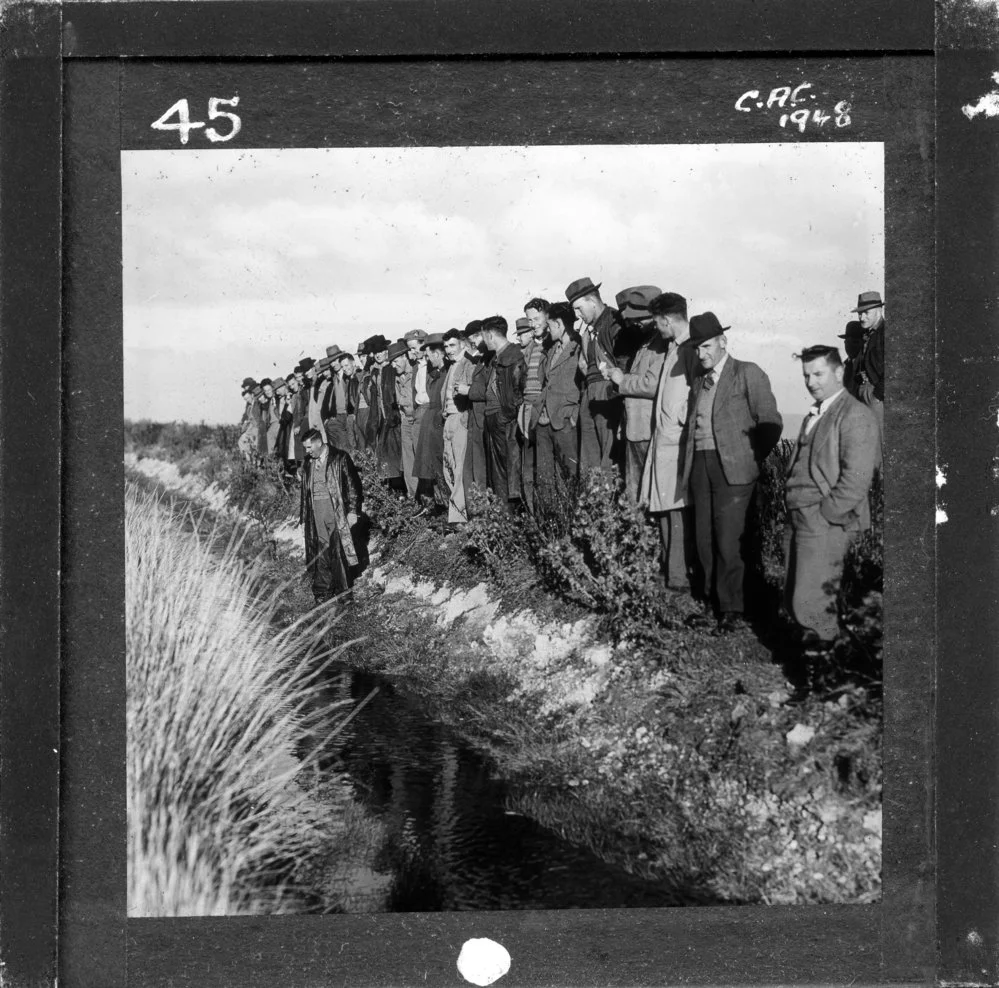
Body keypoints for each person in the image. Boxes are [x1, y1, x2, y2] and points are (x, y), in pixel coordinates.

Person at [682, 312, 783, 633]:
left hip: (735, 470)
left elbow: (771, 422)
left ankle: (732, 608)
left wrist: (749, 460)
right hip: (700, 466)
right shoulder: (699, 379)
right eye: (697, 349)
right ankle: (712, 604)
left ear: (723, 342)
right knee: (704, 538)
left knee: (729, 540)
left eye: (708, 346)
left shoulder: (747, 373)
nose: (702, 354)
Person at [784, 345, 880, 656]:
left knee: (814, 602)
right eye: (806, 375)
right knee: (797, 596)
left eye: (818, 374)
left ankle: (819, 685)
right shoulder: (816, 412)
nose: (811, 382)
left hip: (822, 521)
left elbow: (856, 479)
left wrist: (824, 514)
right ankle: (811, 675)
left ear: (839, 373)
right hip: (798, 515)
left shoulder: (856, 415)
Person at [603, 285, 663, 503]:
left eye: (638, 319)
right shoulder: (646, 343)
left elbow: (651, 385)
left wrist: (621, 380)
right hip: (635, 430)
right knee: (635, 495)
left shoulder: (662, 345)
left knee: (646, 496)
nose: (632, 324)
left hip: (648, 432)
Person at [566, 276, 629, 477]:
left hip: (608, 393)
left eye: (579, 308)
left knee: (608, 458)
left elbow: (623, 364)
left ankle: (608, 504)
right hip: (590, 393)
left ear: (592, 302)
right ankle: (593, 504)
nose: (577, 315)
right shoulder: (589, 329)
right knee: (588, 458)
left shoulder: (614, 322)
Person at [298, 428, 363, 605]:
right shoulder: (308, 462)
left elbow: (353, 485)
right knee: (321, 548)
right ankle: (322, 592)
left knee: (338, 549)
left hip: (336, 510)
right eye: (305, 448)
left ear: (319, 442)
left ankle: (345, 594)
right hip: (316, 511)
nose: (307, 451)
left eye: (309, 447)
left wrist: (353, 511)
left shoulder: (340, 457)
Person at [532, 301, 582, 499]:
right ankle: (548, 525)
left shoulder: (579, 346)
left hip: (565, 423)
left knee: (569, 477)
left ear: (559, 324)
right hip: (544, 422)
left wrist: (573, 415)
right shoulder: (551, 349)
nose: (547, 330)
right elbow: (544, 379)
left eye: (550, 325)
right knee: (544, 480)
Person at [481, 315, 526, 508]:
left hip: (504, 422)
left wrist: (503, 417)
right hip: (495, 420)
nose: (483, 341)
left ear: (491, 335)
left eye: (484, 336)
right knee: (498, 474)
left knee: (507, 473)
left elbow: (517, 392)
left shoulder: (512, 356)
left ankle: (509, 519)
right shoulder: (498, 358)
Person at [441, 327, 476, 525]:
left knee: (459, 467)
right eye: (446, 346)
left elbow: (472, 391)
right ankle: (457, 512)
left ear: (462, 344)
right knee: (449, 467)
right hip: (449, 420)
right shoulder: (451, 366)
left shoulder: (468, 363)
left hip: (461, 419)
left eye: (452, 345)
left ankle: (458, 517)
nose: (448, 350)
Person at [414, 333, 448, 501]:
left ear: (437, 353)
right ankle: (439, 502)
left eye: (428, 355)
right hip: (431, 421)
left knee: (440, 464)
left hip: (439, 422)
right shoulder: (435, 373)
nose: (427, 359)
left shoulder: (447, 372)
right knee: (430, 465)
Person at [515, 315, 544, 511]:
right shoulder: (522, 354)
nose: (520, 338)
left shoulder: (541, 350)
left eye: (523, 334)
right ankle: (530, 509)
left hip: (538, 407)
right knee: (527, 460)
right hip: (525, 408)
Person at [851, 290, 885, 440]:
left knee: (877, 445)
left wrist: (877, 396)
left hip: (875, 397)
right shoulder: (868, 334)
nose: (861, 317)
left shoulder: (886, 332)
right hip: (864, 393)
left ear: (879, 311)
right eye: (859, 313)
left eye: (866, 312)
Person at [462, 320, 490, 497]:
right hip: (476, 416)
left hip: (484, 417)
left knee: (482, 466)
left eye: (475, 337)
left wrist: (469, 390)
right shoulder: (480, 358)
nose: (473, 342)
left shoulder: (488, 358)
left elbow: (490, 390)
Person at [396, 332, 423, 497]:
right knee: (408, 461)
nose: (412, 353)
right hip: (406, 420)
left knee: (420, 458)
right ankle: (413, 496)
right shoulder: (398, 377)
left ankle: (426, 497)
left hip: (418, 418)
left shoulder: (417, 370)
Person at [838, 321, 864, 398]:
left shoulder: (867, 365)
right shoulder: (843, 367)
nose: (850, 345)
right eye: (847, 341)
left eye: (855, 342)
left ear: (863, 342)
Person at [237, 377, 259, 461]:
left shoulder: (256, 397)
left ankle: (251, 463)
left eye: (245, 387)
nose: (245, 389)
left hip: (256, 427)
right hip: (252, 427)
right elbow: (247, 413)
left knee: (244, 441)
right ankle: (250, 462)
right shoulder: (250, 403)